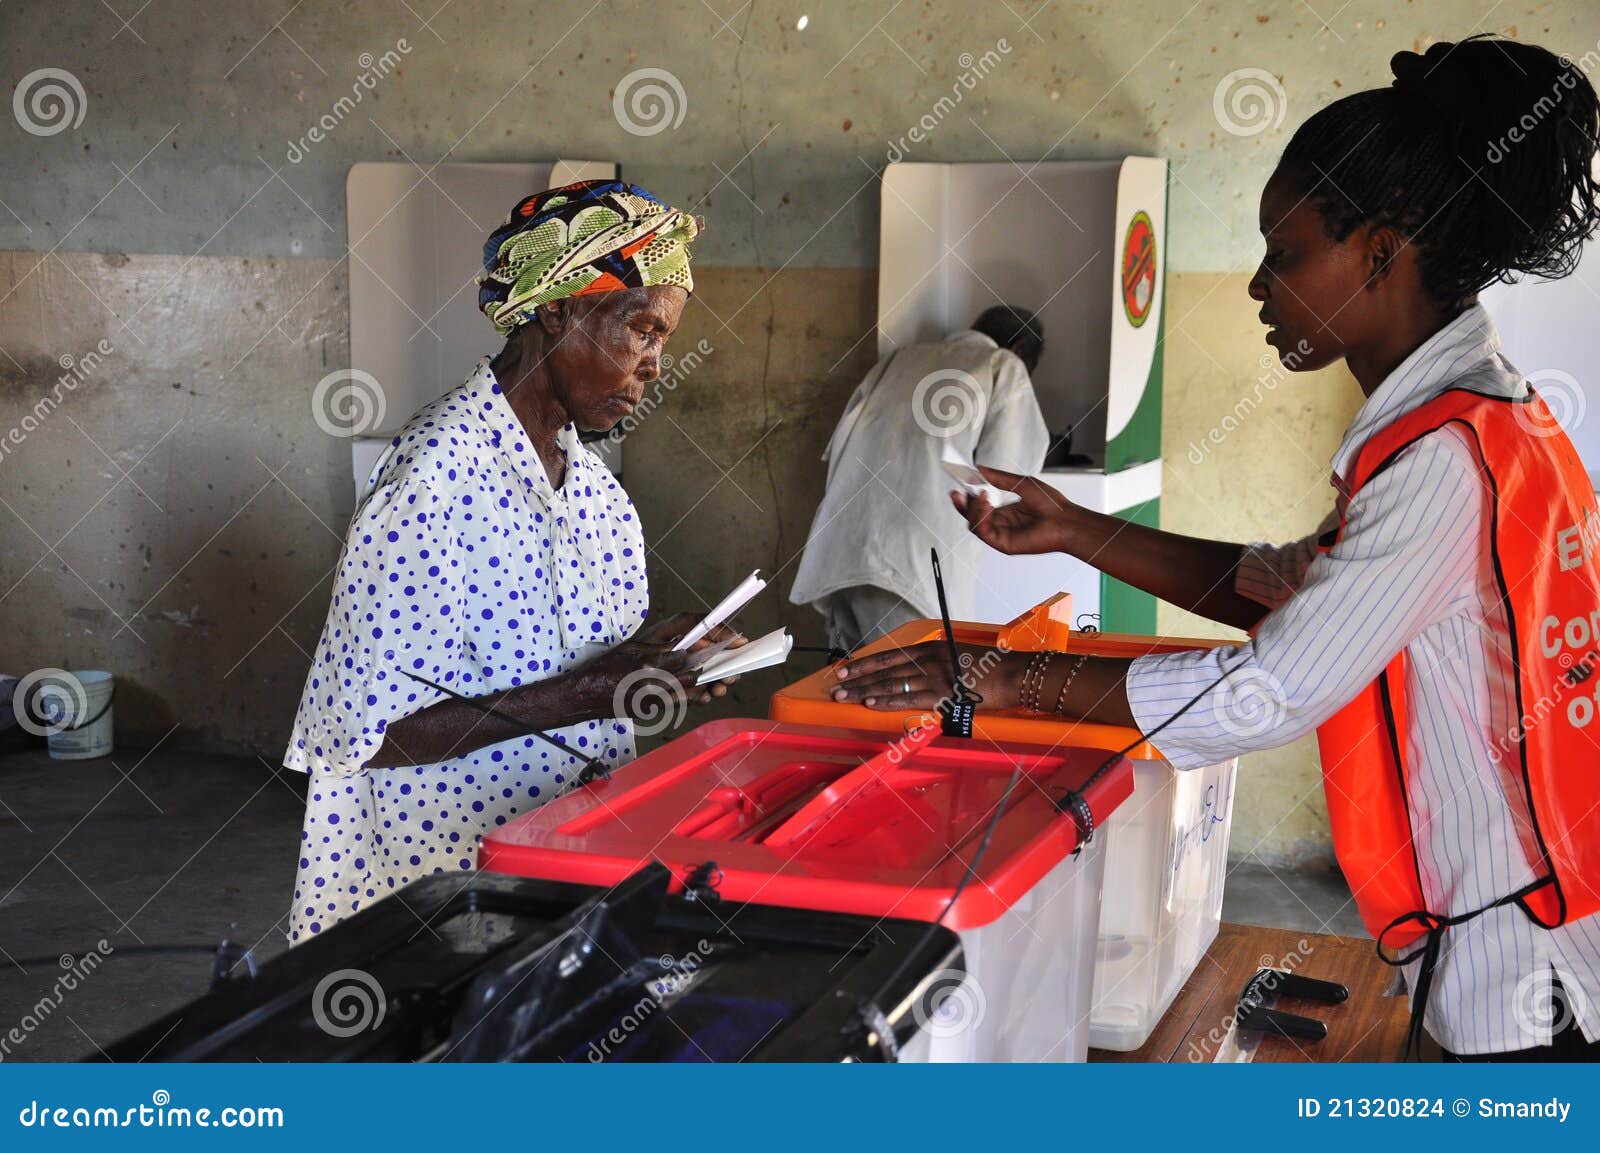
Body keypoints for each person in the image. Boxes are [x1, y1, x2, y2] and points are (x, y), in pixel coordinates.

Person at [833, 37, 1600, 1061]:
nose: (1255, 287)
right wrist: (1076, 530)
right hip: (1518, 944)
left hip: (1529, 979)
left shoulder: (1441, 461)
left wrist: (991, 679)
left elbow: (1272, 687)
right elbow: (1299, 594)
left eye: (1283, 255)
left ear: (1379, 250)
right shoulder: (1475, 422)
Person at [282, 180, 739, 942]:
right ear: (556, 308)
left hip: (553, 864)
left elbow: (596, 663)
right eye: (642, 329)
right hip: (438, 885)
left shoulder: (595, 494)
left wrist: (666, 654)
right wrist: (594, 691)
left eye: (664, 341)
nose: (655, 364)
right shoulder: (435, 477)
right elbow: (371, 736)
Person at [789, 306, 1049, 652]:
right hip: (911, 567)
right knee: (909, 691)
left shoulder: (898, 359)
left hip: (842, 552)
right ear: (1021, 351)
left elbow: (839, 446)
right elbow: (1008, 481)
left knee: (850, 684)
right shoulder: (1004, 366)